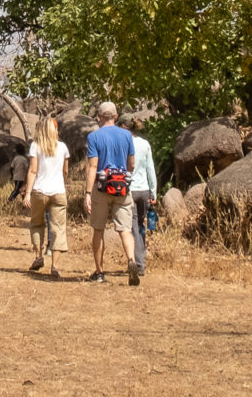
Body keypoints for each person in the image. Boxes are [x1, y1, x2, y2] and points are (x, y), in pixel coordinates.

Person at [83, 101, 139, 285]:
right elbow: (131, 163)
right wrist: (125, 175)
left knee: (98, 229)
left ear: (99, 116)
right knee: (125, 229)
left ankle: (99, 272)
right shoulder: (126, 135)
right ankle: (131, 260)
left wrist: (87, 193)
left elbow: (92, 166)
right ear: (115, 116)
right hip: (121, 186)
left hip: (101, 187)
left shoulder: (94, 137)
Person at [22, 116, 70, 278]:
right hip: (58, 191)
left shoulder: (35, 146)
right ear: (54, 131)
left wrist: (27, 193)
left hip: (39, 190)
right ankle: (55, 265)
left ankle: (38, 256)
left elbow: (33, 171)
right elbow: (65, 172)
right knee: (57, 228)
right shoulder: (63, 147)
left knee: (37, 224)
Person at [124, 115, 158, 276]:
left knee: (131, 228)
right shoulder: (145, 144)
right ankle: (141, 262)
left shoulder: (124, 144)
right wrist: (154, 191)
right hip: (144, 190)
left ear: (124, 128)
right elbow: (150, 169)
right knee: (140, 225)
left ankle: (136, 263)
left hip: (129, 190)